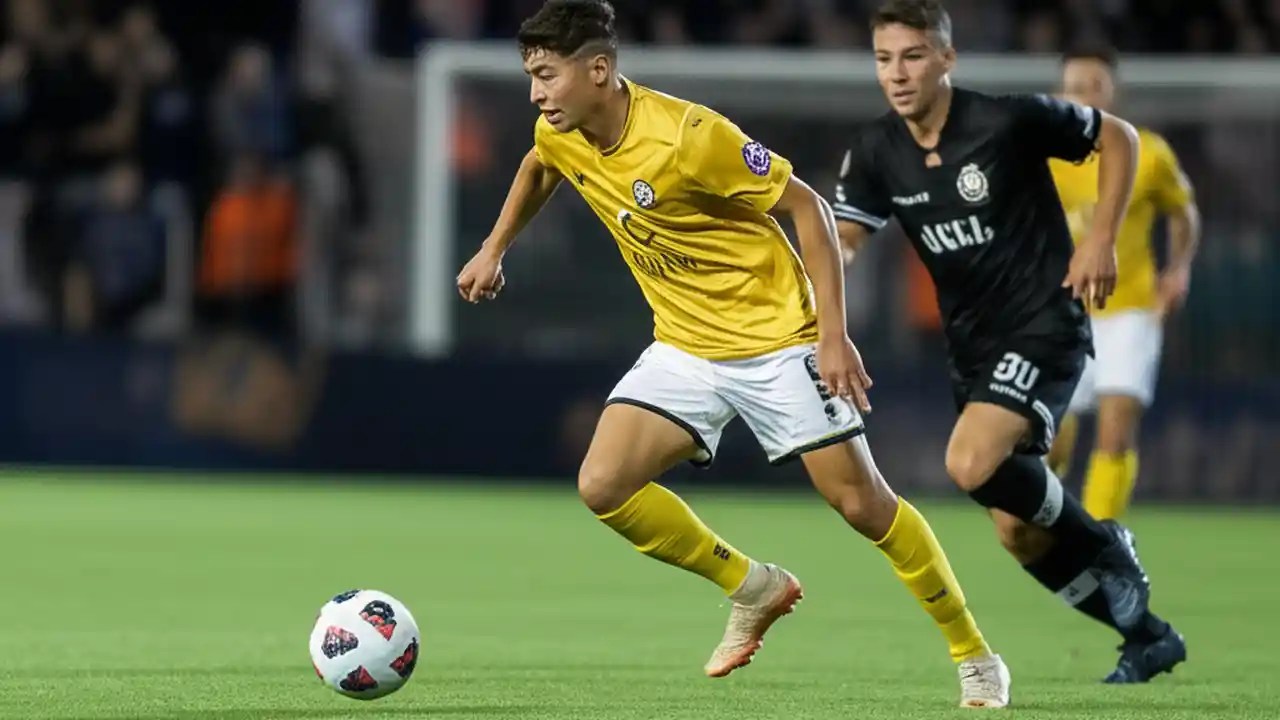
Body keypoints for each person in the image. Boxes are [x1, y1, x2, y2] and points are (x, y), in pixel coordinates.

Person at [457, 0, 1010, 707]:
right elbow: (541, 164)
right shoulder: (559, 130)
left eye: (546, 75)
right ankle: (754, 586)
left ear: (598, 70)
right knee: (603, 485)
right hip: (686, 343)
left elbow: (808, 208)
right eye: (530, 76)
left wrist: (832, 336)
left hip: (778, 339)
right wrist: (494, 246)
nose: (535, 94)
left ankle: (974, 655)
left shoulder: (691, 137)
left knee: (862, 504)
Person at [831, 0, 1184, 684]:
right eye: (883, 59)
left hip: (1045, 326)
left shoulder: (1007, 120)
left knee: (968, 462)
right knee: (1016, 530)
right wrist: (824, 279)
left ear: (946, 59)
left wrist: (1103, 238)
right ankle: (1145, 634)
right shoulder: (877, 151)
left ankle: (1105, 541)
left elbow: (1121, 140)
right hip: (973, 350)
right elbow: (845, 239)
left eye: (911, 56)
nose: (896, 74)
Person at [1045, 47, 1201, 522]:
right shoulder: (1045, 158)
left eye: (1096, 85)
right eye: (1076, 87)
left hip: (1131, 307)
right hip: (1064, 311)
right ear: (1059, 95)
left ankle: (1099, 539)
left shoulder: (1148, 152)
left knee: (1116, 428)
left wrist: (1179, 268)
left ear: (1114, 92)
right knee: (1048, 443)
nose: (1086, 96)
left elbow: (1183, 214)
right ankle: (1049, 521)